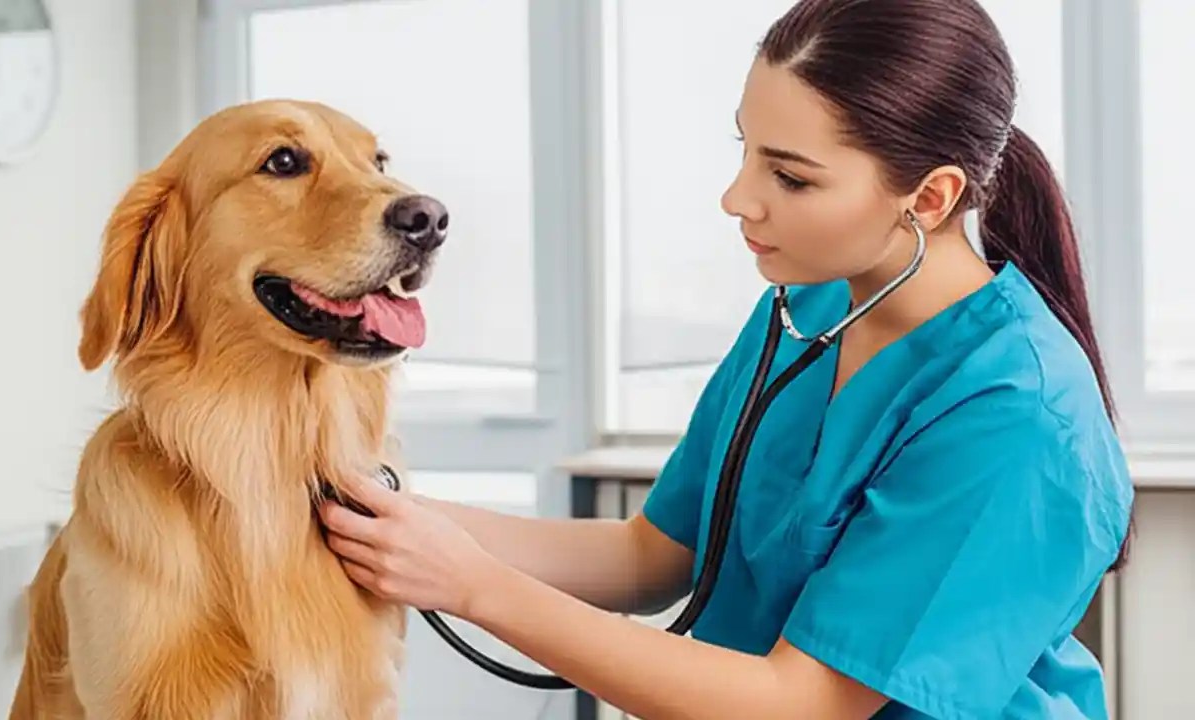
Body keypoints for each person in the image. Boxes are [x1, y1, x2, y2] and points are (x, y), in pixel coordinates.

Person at [320, 0, 1135, 717]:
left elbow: (804, 705)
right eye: (747, 150)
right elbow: (650, 558)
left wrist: (471, 587)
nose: (738, 198)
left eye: (790, 177)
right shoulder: (806, 306)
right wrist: (388, 518)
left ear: (929, 197)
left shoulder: (1020, 412)